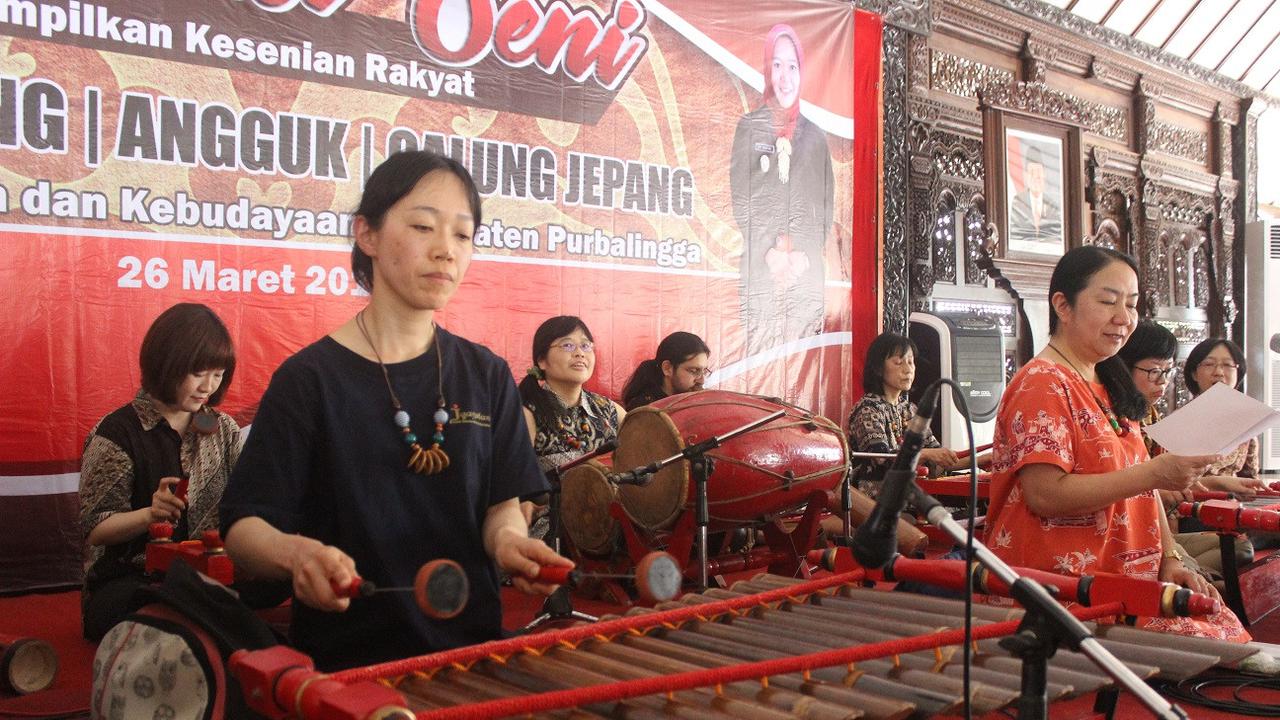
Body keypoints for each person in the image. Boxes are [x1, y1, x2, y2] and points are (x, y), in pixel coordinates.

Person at [219, 151, 570, 671]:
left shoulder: (487, 373)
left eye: (462, 235)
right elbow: (244, 527)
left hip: (471, 657)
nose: (445, 251)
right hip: (350, 664)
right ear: (368, 235)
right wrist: (298, 556)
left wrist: (510, 544)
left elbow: (502, 507)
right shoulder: (308, 381)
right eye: (424, 226)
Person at [985, 244, 1248, 642]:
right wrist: (1156, 472)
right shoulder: (1043, 383)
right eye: (1108, 301)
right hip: (1067, 592)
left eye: (1132, 303)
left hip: (1127, 583)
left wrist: (1169, 558)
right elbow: (1045, 495)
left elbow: (1142, 484)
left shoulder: (1108, 384)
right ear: (1063, 305)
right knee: (1222, 651)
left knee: (1227, 631)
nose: (1124, 318)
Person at [79, 303, 240, 641]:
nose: (208, 386)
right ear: (167, 364)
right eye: (199, 373)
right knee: (178, 599)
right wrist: (149, 515)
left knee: (289, 571)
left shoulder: (223, 428)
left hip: (210, 571)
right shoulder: (118, 432)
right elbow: (96, 529)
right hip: (133, 581)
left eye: (218, 374)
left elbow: (250, 496)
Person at [1117, 322, 1253, 578]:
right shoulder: (1122, 418)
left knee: (1242, 547)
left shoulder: (1150, 414)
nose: (1163, 382)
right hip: (1154, 523)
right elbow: (1142, 485)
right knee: (1235, 556)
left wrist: (1222, 484)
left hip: (1169, 519)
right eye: (1154, 371)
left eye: (1167, 372)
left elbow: (1164, 485)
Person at [730, 23, 833, 354]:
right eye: (777, 65)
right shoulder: (749, 128)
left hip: (805, 272)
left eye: (793, 67)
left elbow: (825, 207)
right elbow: (740, 200)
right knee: (757, 361)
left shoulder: (816, 137)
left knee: (805, 361)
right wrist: (768, 255)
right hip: (761, 269)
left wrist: (802, 254)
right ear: (766, 69)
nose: (785, 76)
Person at [518, 316, 625, 540]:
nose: (580, 353)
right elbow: (515, 488)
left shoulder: (608, 410)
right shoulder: (529, 413)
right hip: (555, 531)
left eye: (586, 345)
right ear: (542, 361)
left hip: (613, 523)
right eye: (568, 345)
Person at [846, 332, 965, 499]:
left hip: (906, 499)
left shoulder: (910, 410)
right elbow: (884, 459)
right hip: (871, 504)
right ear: (879, 368)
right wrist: (926, 454)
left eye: (911, 362)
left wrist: (985, 459)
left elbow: (938, 456)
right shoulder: (868, 409)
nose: (908, 369)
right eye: (898, 362)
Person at [620, 331, 711, 411]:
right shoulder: (646, 411)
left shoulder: (694, 402)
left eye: (704, 371)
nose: (702, 380)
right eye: (694, 370)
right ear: (667, 368)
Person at [1007, 146, 1062, 246]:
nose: (1036, 177)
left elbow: (1057, 239)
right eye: (1032, 172)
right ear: (1025, 176)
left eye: (1039, 172)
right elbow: (1014, 236)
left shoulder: (1053, 206)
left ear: (1044, 174)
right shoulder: (1018, 202)